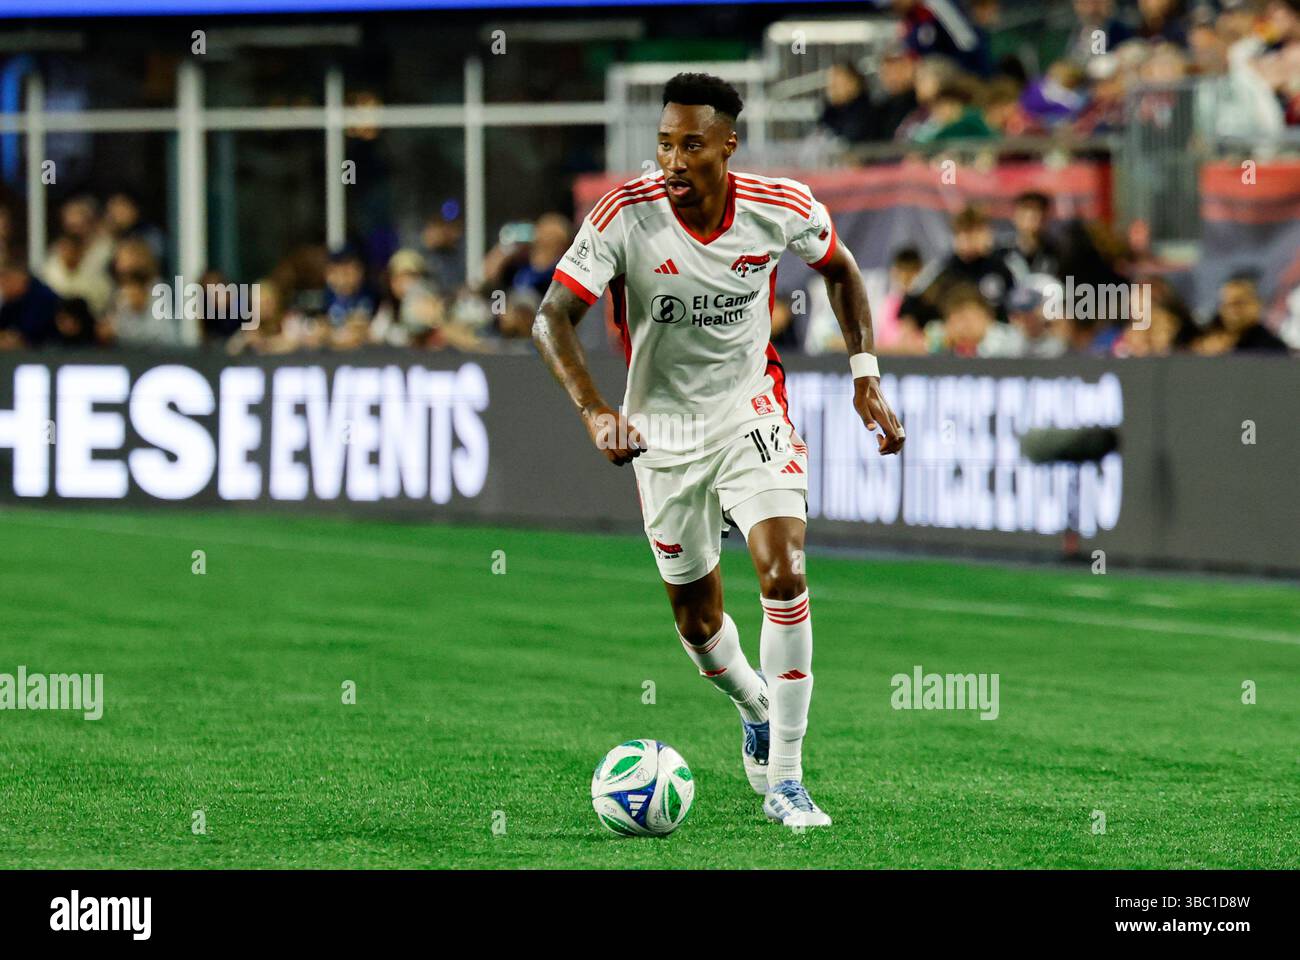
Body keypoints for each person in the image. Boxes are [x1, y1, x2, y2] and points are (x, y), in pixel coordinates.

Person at [532, 72, 904, 830]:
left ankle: (789, 782)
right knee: (699, 627)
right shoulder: (623, 217)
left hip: (749, 411)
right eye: (664, 143)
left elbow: (841, 269)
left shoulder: (780, 206)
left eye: (690, 144)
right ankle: (754, 704)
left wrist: (865, 375)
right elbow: (550, 319)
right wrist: (597, 411)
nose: (672, 159)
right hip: (662, 432)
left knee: (784, 567)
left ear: (728, 146)